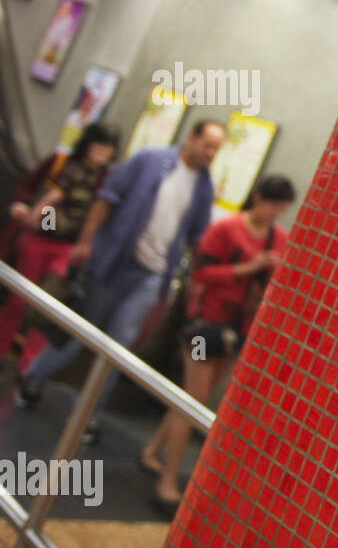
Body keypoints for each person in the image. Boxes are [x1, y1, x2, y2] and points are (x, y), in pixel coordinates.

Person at [17, 119, 226, 444]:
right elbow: (106, 199)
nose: (211, 153)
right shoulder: (151, 160)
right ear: (192, 138)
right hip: (115, 262)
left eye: (217, 148)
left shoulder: (203, 187)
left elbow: (195, 237)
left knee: (119, 346)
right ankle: (35, 377)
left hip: (152, 274)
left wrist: (194, 280)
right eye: (208, 144)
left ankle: (87, 413)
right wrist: (86, 243)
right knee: (82, 331)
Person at [140, 175, 294, 515]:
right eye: (272, 204)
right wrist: (247, 267)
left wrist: (271, 271)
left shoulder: (278, 238)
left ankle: (152, 450)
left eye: (281, 208)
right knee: (192, 400)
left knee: (195, 395)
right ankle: (168, 480)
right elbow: (202, 275)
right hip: (202, 327)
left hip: (237, 329)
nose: (274, 212)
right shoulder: (225, 229)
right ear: (257, 197)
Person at [0, 123, 120, 369]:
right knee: (18, 298)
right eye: (99, 146)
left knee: (48, 304)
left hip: (67, 245)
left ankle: (28, 364)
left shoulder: (104, 179)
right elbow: (29, 184)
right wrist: (22, 204)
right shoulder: (61, 162)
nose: (102, 153)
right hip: (39, 235)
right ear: (87, 144)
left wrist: (87, 244)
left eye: (108, 148)